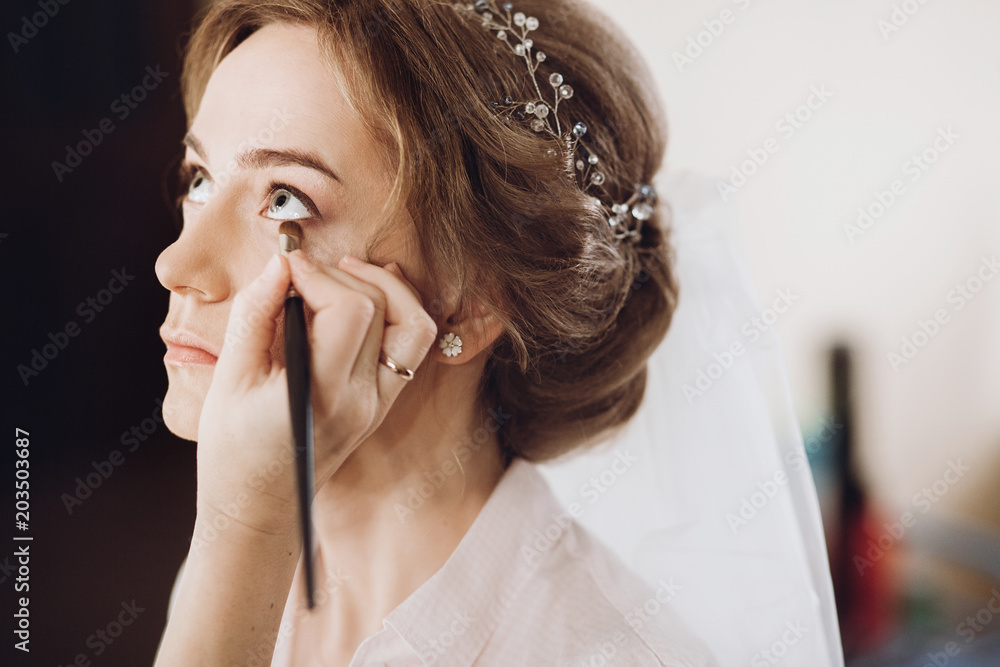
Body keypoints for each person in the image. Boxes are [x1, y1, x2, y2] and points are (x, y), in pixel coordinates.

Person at [153, 0, 842, 665]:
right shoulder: (247, 545)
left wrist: (245, 526)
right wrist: (244, 531)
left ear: (473, 302)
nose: (176, 264)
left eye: (285, 200)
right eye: (201, 179)